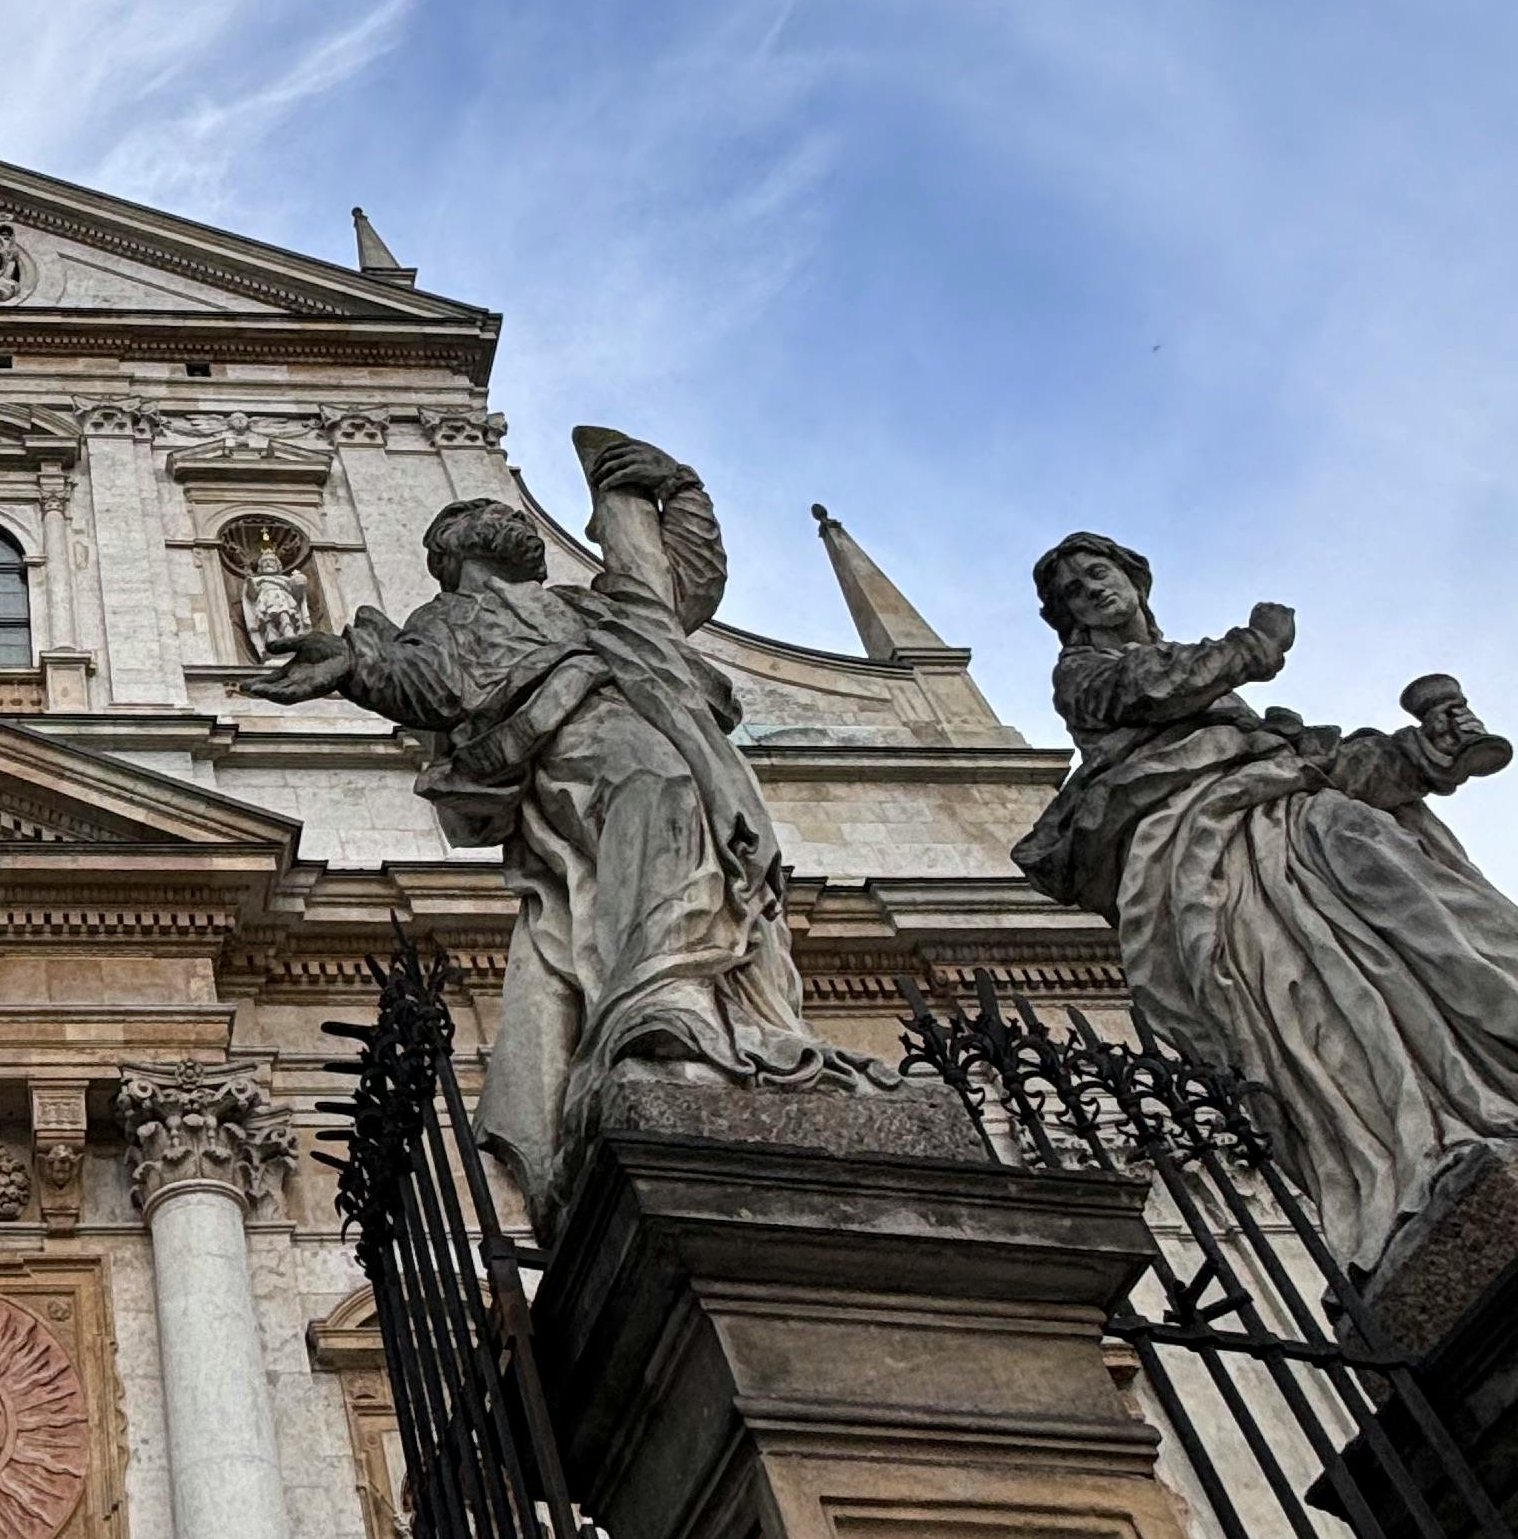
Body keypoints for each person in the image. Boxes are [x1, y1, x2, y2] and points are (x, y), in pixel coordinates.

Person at [255, 425, 875, 1191]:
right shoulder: (448, 621)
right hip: (573, 750)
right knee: (656, 797)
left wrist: (678, 492)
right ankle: (663, 989)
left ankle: (679, 995)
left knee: (679, 819)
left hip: (649, 729)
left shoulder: (592, 604)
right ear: (456, 552)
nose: (516, 524)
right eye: (493, 521)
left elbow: (680, 588)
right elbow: (423, 687)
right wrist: (352, 665)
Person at [1016, 531, 1518, 1283]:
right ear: (1068, 621)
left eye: (1100, 572)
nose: (1090, 590)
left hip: (1270, 808)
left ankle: (1487, 1072)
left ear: (1134, 580)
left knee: (1411, 897)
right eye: (1072, 592)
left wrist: (1421, 757)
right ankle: (1432, 1129)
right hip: (1217, 840)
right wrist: (1255, 644)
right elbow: (1153, 688)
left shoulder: (1213, 695)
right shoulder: (1087, 672)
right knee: (1323, 983)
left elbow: (1296, 759)